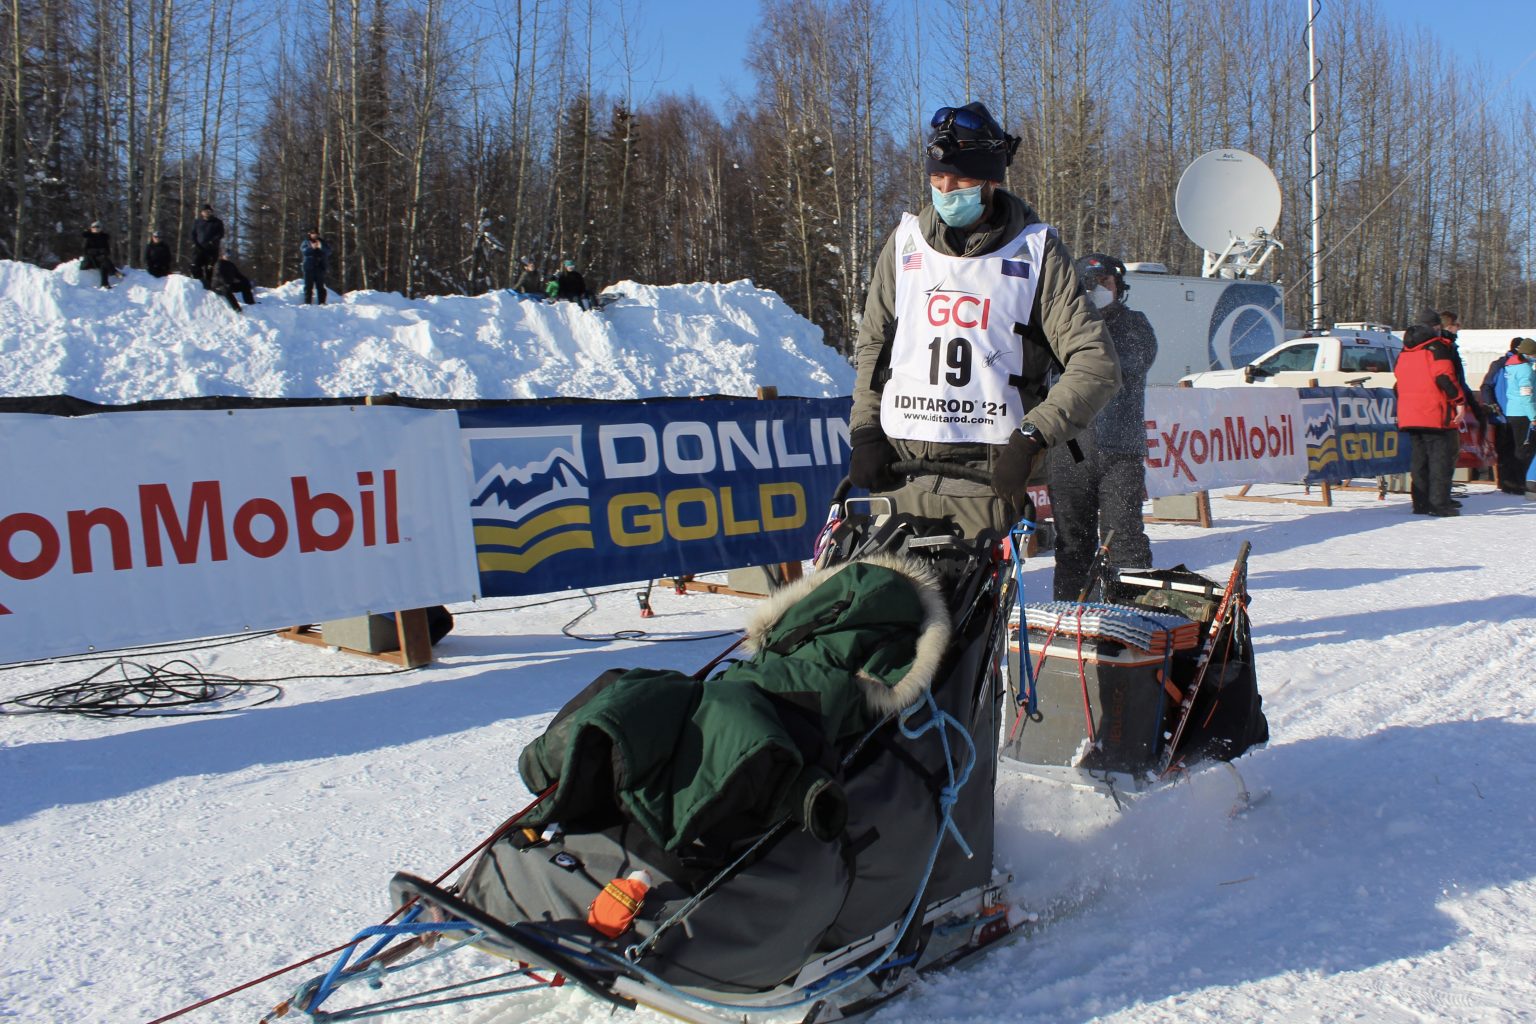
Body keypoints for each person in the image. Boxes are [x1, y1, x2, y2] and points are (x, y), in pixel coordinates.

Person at [848, 101, 1121, 540]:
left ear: (991, 180)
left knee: (965, 607)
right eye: (937, 177)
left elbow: (1096, 363)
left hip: (987, 484)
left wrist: (1032, 437)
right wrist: (864, 429)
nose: (946, 189)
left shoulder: (1035, 252)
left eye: (961, 179)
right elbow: (874, 347)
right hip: (902, 475)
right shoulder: (905, 244)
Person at [1047, 254, 1157, 600]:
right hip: (1070, 452)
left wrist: (1095, 325)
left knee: (1125, 541)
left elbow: (1121, 364)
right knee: (1072, 543)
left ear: (1118, 286)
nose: (1097, 290)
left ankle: (1132, 618)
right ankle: (1071, 618)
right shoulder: (1058, 325)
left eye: (1104, 282)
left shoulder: (1134, 325)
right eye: (1088, 283)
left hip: (1119, 452)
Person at [1395, 310, 1468, 517]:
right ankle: (1439, 504)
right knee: (1440, 460)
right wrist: (1459, 401)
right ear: (1435, 328)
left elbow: (1398, 381)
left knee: (1419, 460)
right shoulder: (1437, 349)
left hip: (1410, 414)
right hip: (1434, 413)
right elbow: (1445, 377)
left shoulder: (1405, 352)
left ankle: (1420, 502)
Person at [1479, 337, 1527, 494]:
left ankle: (1514, 482)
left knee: (1515, 449)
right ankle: (1509, 483)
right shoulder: (1501, 365)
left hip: (1515, 414)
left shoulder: (1523, 365)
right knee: (1510, 449)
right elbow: (1486, 386)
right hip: (1504, 415)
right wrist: (1492, 405)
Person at [190, 204, 225, 288]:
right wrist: (195, 244)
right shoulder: (197, 222)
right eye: (205, 211)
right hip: (199, 248)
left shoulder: (217, 222)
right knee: (195, 266)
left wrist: (213, 241)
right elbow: (193, 234)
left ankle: (209, 286)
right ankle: (199, 283)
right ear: (202, 213)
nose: (207, 213)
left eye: (209, 211)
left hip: (211, 250)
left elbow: (221, 234)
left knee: (209, 269)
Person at [80, 221, 118, 288]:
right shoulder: (88, 237)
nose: (96, 228)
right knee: (104, 260)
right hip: (90, 260)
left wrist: (103, 252)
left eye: (97, 227)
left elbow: (107, 250)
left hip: (100, 259)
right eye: (93, 227)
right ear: (91, 228)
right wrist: (98, 251)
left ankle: (104, 284)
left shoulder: (103, 238)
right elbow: (85, 250)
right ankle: (114, 271)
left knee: (104, 264)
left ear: (101, 228)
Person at [300, 230, 331, 304]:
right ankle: (307, 302)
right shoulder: (306, 242)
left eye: (316, 234)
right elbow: (304, 251)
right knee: (308, 287)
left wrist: (321, 247)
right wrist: (312, 248)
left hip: (320, 267)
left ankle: (322, 302)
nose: (314, 235)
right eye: (313, 234)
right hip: (309, 268)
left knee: (320, 287)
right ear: (310, 234)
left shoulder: (322, 242)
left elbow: (328, 251)